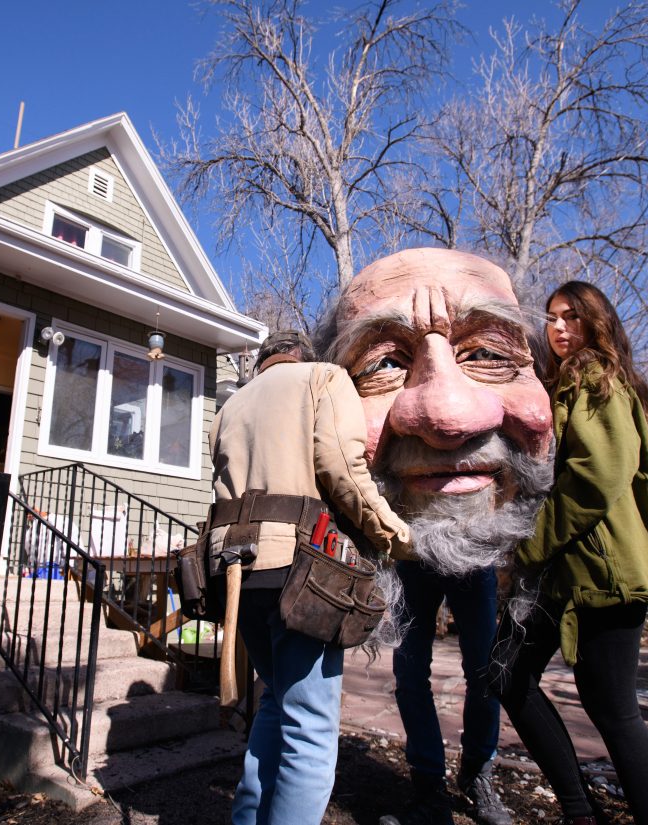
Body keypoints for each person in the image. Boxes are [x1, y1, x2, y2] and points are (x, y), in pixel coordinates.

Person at [314, 249, 556, 825]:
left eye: (490, 354)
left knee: (485, 669)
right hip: (406, 552)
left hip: (477, 571)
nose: (448, 415)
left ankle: (480, 775)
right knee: (410, 672)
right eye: (383, 363)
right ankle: (427, 782)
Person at [493, 281, 648, 825]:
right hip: (564, 572)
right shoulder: (566, 385)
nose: (558, 328)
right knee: (507, 673)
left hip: (601, 571)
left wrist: (530, 545)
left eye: (572, 317)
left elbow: (597, 476)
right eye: (552, 317)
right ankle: (579, 811)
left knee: (615, 712)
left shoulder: (595, 377)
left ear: (597, 323)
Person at [208, 330, 416, 825]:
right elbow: (342, 466)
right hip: (299, 572)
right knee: (310, 730)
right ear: (302, 356)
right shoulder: (323, 377)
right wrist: (395, 534)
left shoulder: (229, 407)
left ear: (262, 364)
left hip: (235, 574)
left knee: (276, 707)